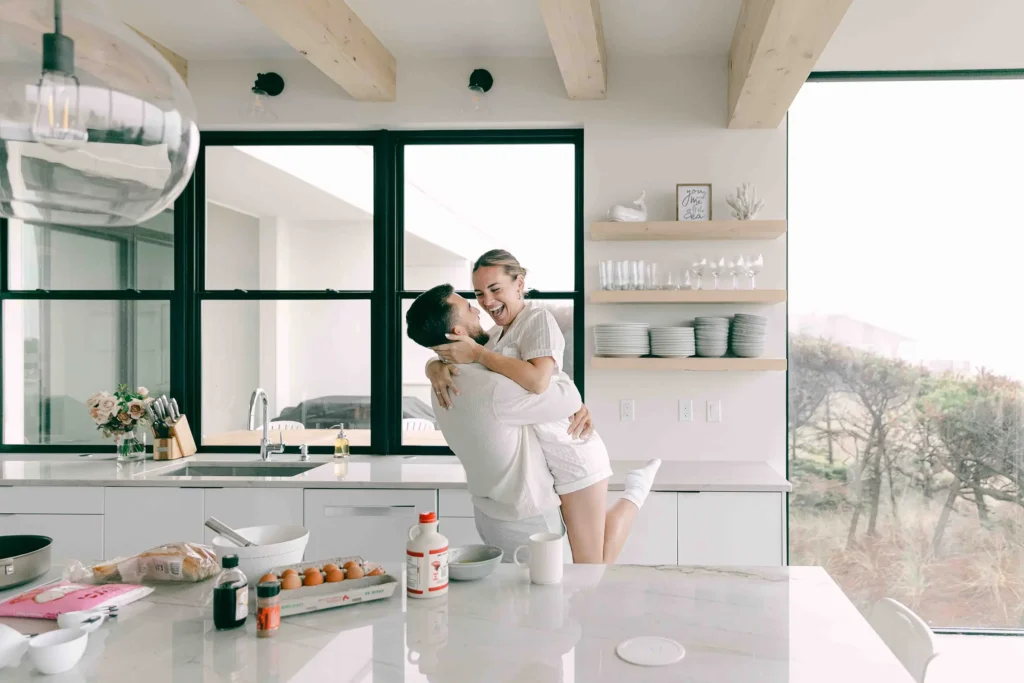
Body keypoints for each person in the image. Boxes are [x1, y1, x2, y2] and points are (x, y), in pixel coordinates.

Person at [414, 261, 661, 564]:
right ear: (458, 332)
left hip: (549, 467)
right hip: (538, 489)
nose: (482, 305)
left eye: (494, 290)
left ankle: (636, 491)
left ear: (519, 284)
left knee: (589, 566)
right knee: (588, 569)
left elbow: (539, 383)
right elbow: (557, 393)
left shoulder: (452, 375)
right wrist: (435, 364)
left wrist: (437, 363)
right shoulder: (490, 362)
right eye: (474, 299)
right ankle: (636, 491)